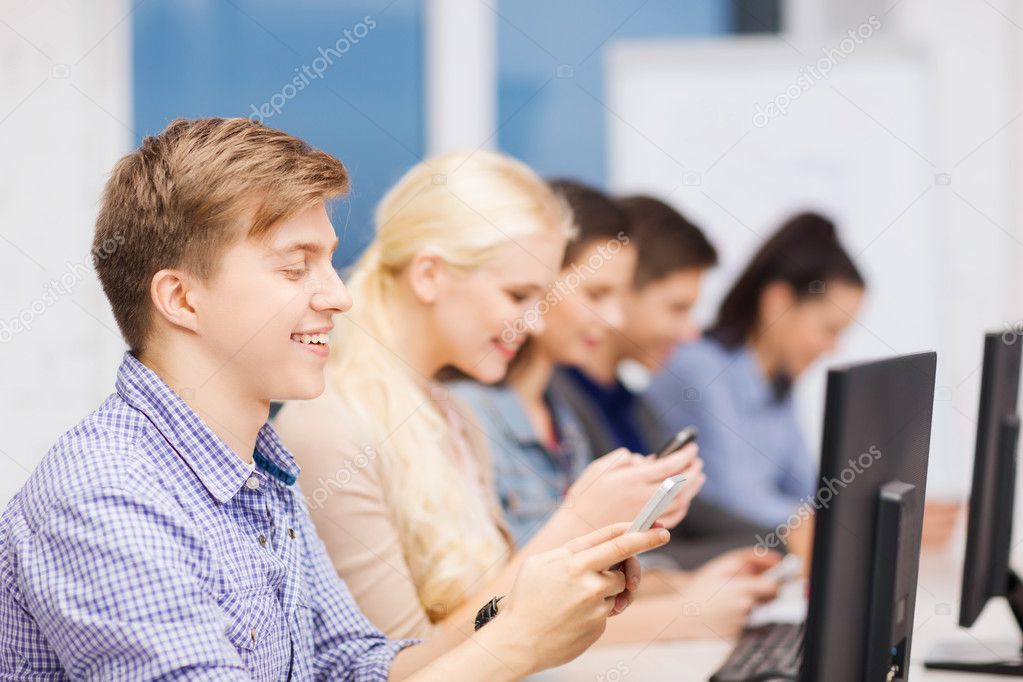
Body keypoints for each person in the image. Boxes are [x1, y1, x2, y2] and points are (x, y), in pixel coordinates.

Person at [0, 118, 667, 681]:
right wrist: (515, 643)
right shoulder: (103, 497)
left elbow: (358, 664)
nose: (338, 295)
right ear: (180, 299)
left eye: (328, 262)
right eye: (295, 268)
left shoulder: (261, 471)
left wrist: (528, 611)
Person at [275, 150, 703, 644]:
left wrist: (605, 533)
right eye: (519, 296)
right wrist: (577, 521)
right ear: (429, 274)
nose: (536, 323)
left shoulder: (450, 413)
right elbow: (398, 668)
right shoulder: (332, 429)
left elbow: (487, 612)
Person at [451, 180, 781, 638]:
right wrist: (686, 611)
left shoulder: (563, 420)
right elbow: (492, 615)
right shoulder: (470, 417)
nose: (614, 320)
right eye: (595, 294)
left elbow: (589, 574)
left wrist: (683, 585)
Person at [557, 192, 779, 567]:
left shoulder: (634, 404)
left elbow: (691, 515)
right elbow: (632, 551)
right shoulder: (559, 403)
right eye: (677, 308)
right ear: (622, 288)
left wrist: (780, 541)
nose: (690, 333)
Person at [647, 212, 865, 528]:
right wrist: (845, 524)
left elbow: (808, 489)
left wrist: (866, 515)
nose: (833, 348)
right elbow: (735, 500)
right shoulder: (700, 370)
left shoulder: (777, 383)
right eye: (828, 329)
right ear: (777, 302)